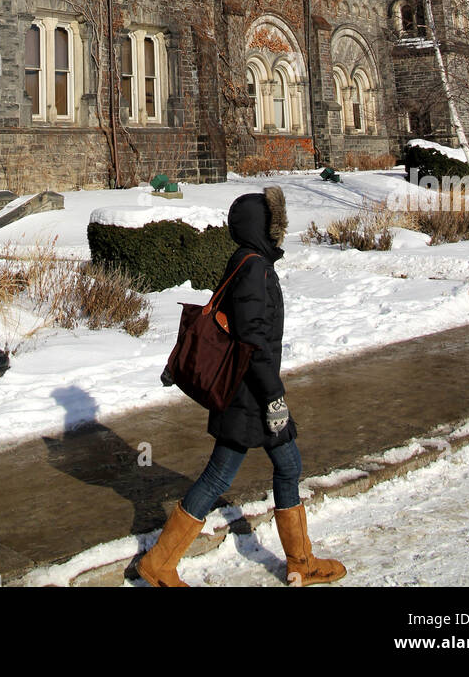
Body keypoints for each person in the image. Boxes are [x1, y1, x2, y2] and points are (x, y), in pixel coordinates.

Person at [137, 184, 346, 588]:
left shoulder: (252, 263)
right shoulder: (254, 268)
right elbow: (253, 341)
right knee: (223, 475)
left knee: (285, 465)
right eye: (273, 224)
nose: (277, 231)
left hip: (250, 392)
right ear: (261, 227)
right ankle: (159, 562)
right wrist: (273, 398)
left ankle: (300, 562)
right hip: (250, 394)